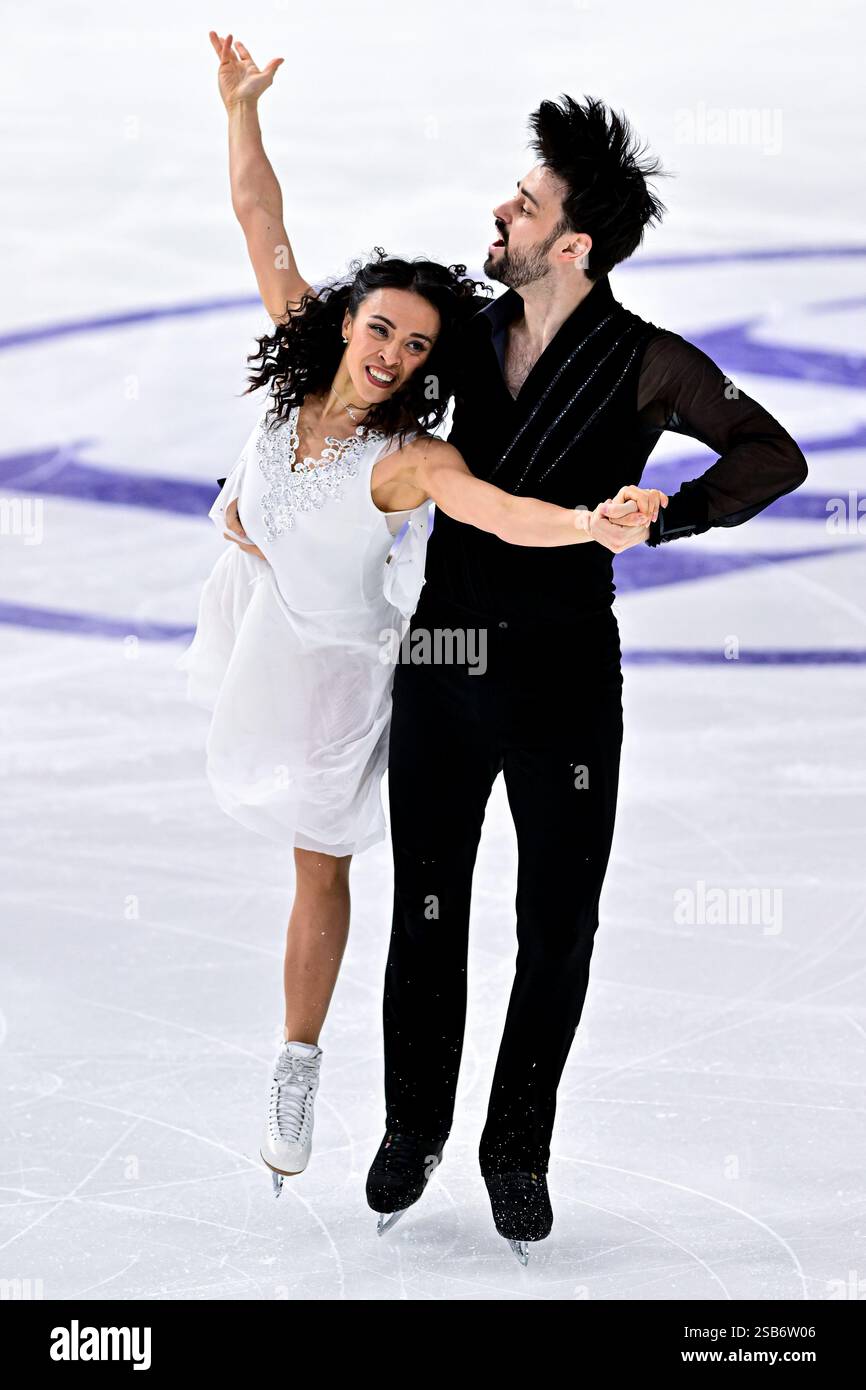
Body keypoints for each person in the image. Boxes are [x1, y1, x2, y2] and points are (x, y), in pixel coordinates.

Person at [180, 36, 653, 1198]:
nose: (391, 354)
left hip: (342, 673)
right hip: (256, 624)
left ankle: (298, 1062)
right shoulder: (302, 357)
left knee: (320, 863)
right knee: (314, 856)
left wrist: (591, 523)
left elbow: (498, 507)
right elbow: (258, 215)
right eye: (379, 328)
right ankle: (362, 1089)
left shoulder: (407, 461)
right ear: (344, 322)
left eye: (417, 345)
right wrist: (242, 110)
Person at [367, 94, 809, 1263]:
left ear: (574, 245)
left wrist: (662, 521)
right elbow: (347, 375)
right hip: (443, 650)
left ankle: (516, 1147)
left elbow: (772, 455)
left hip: (564, 669)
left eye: (525, 201)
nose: (500, 210)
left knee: (556, 920)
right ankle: (412, 1125)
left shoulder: (648, 363)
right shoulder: (458, 327)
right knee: (427, 901)